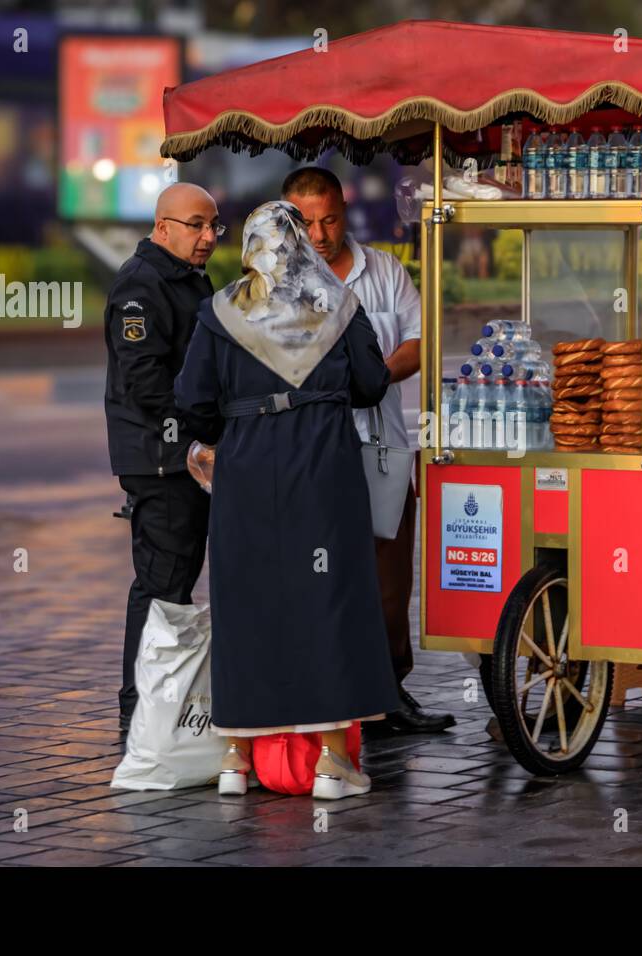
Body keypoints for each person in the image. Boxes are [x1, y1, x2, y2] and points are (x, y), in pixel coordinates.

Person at [174, 200, 401, 799]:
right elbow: (373, 384)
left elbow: (192, 400)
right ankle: (331, 761)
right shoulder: (338, 306)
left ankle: (235, 759)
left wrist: (237, 420)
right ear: (301, 242)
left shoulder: (220, 313)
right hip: (322, 467)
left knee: (245, 602)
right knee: (328, 599)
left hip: (246, 470)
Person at [282, 167, 455, 737]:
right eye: (305, 222)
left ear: (344, 210)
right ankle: (324, 693)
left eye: (328, 218)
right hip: (310, 454)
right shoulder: (277, 282)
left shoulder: (382, 271)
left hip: (381, 446)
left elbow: (421, 339)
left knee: (387, 576)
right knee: (319, 572)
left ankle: (388, 691)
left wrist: (374, 375)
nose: (319, 232)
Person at [104, 182, 220, 739]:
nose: (208, 237)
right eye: (196, 225)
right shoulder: (140, 285)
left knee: (175, 585)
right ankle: (138, 715)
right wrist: (192, 445)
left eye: (214, 226)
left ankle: (158, 708)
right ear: (163, 226)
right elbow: (146, 382)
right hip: (163, 462)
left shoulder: (187, 279)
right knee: (161, 586)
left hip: (185, 461)